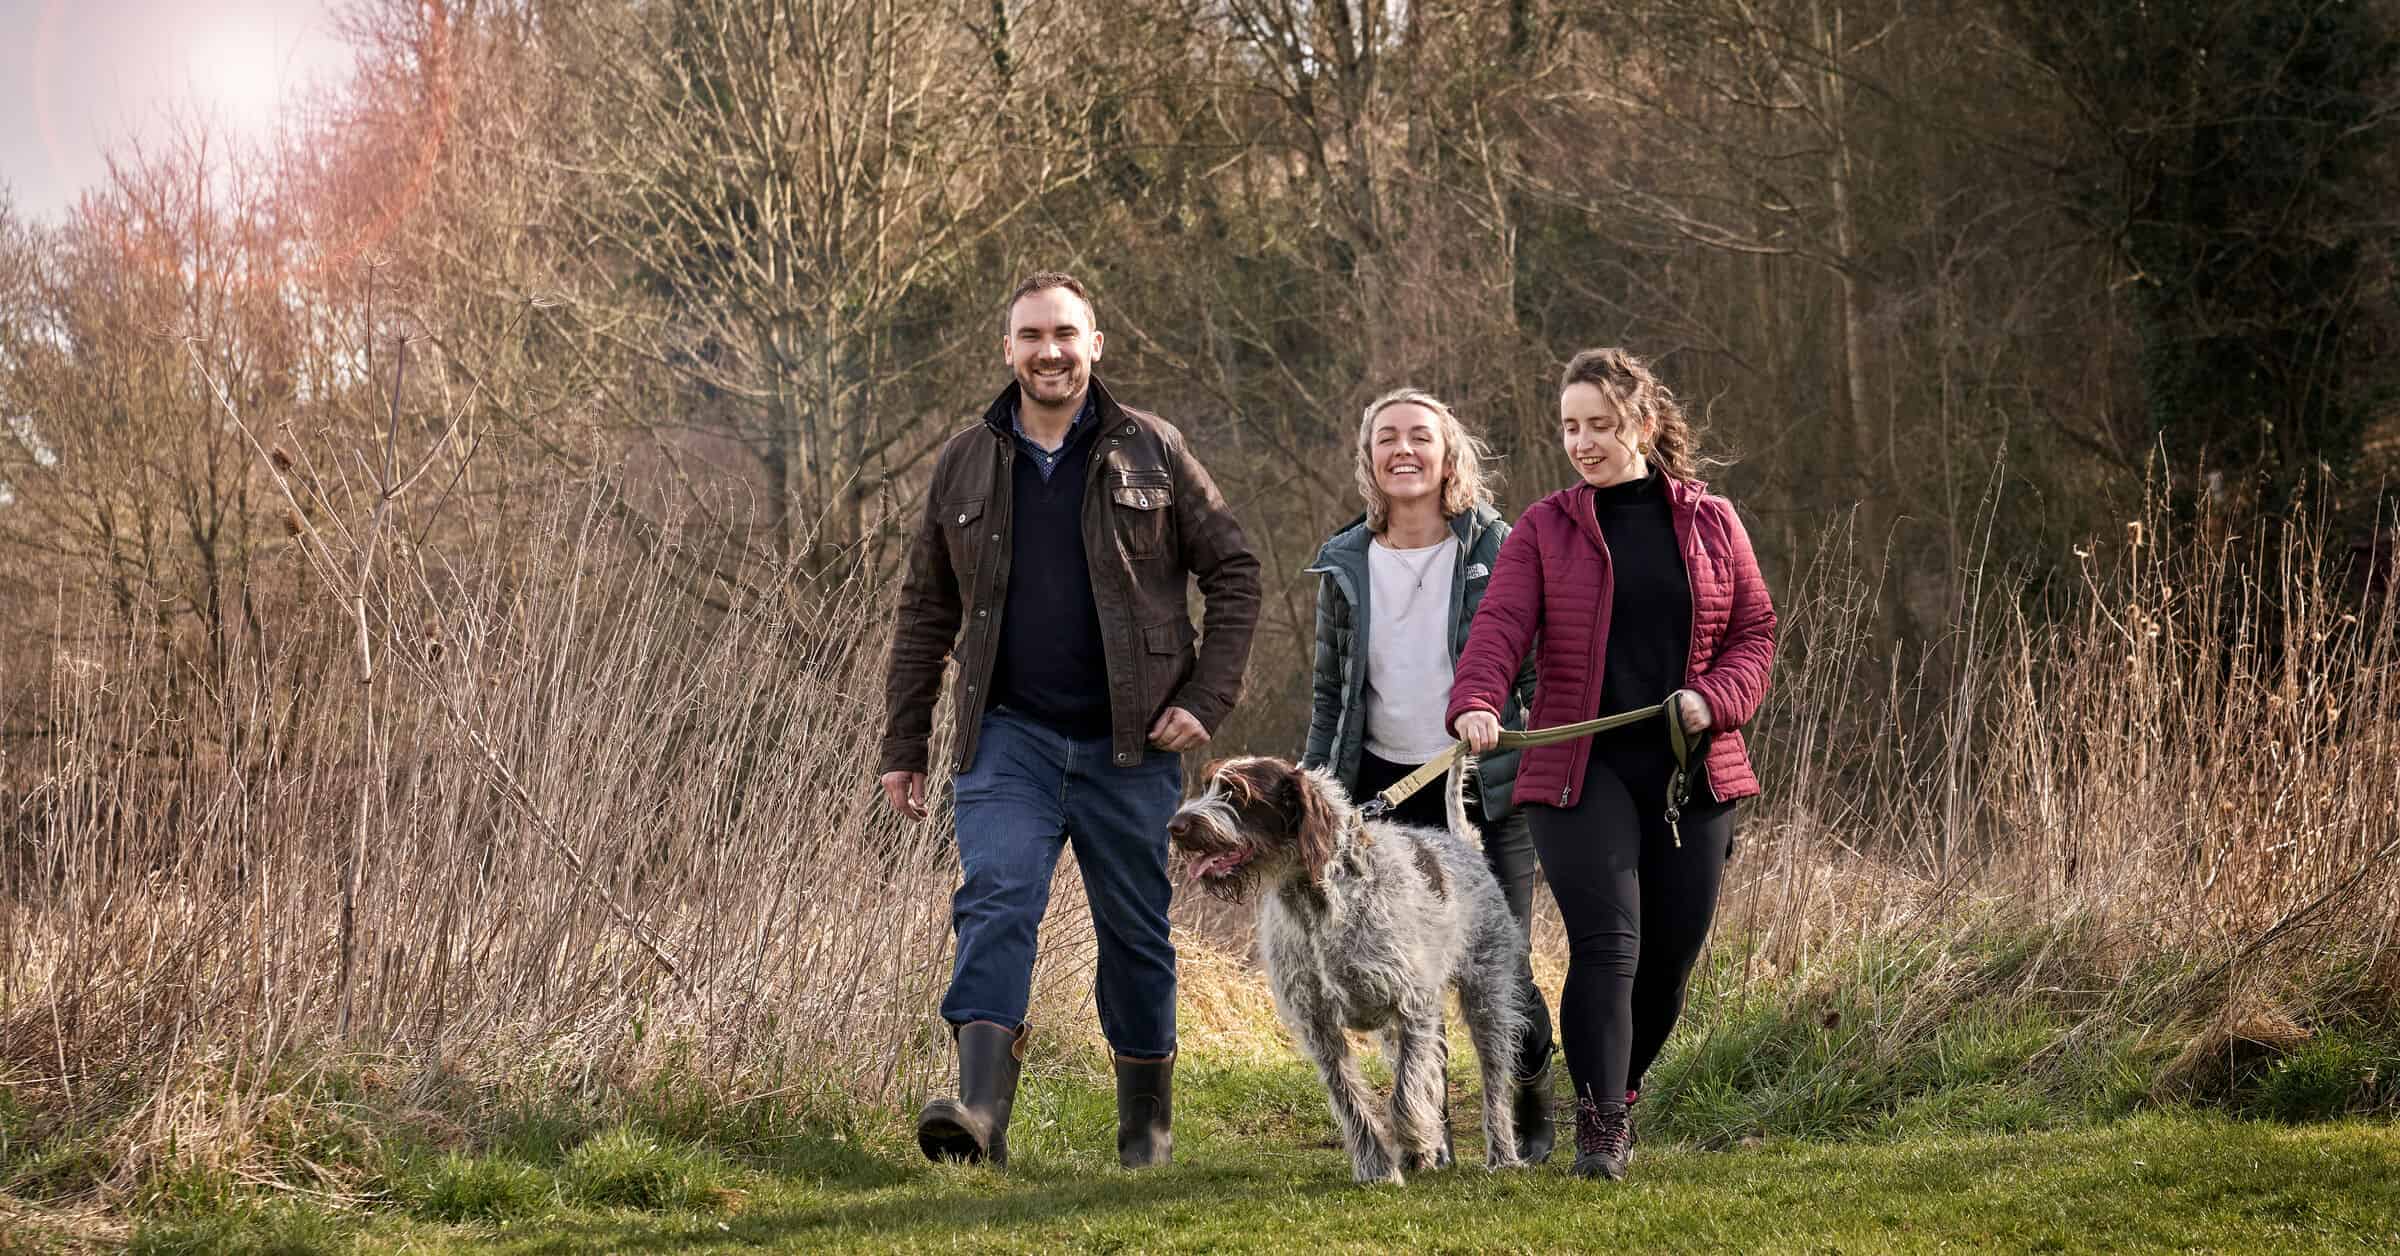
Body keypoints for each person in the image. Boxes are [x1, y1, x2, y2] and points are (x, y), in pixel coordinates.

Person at [878, 271, 1262, 1169]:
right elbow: (924, 611)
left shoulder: (1154, 453)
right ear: (1007, 350)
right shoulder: (965, 460)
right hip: (1005, 735)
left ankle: (1146, 1133)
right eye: (1031, 336)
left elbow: (1236, 573)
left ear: (1095, 344)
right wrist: (905, 741)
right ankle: (978, 1116)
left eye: (1065, 334)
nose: (1048, 351)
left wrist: (1203, 702)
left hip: (1129, 744)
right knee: (997, 897)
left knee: (1135, 928)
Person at [1446, 348, 1776, 1181]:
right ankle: (1599, 1131)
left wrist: (1714, 699)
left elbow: (1755, 634)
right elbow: (1498, 628)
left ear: (1645, 423)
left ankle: (1613, 1094)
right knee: (1610, 946)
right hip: (1575, 769)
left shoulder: (1712, 520)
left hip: (1691, 772)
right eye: (1569, 427)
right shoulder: (1543, 527)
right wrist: (1478, 703)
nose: (1583, 442)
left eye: (1600, 424)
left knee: (1669, 960)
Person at [1298, 388, 1559, 1163]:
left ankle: (1529, 1080)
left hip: (1484, 786)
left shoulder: (1498, 546)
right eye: (1387, 438)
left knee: (1498, 960)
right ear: (1368, 458)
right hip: (1381, 792)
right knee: (1405, 966)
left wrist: (1536, 754)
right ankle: (1427, 1124)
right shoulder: (1345, 562)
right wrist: (1317, 795)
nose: (1403, 450)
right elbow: (1327, 692)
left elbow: (1539, 670)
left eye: (1420, 436)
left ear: (1450, 454)